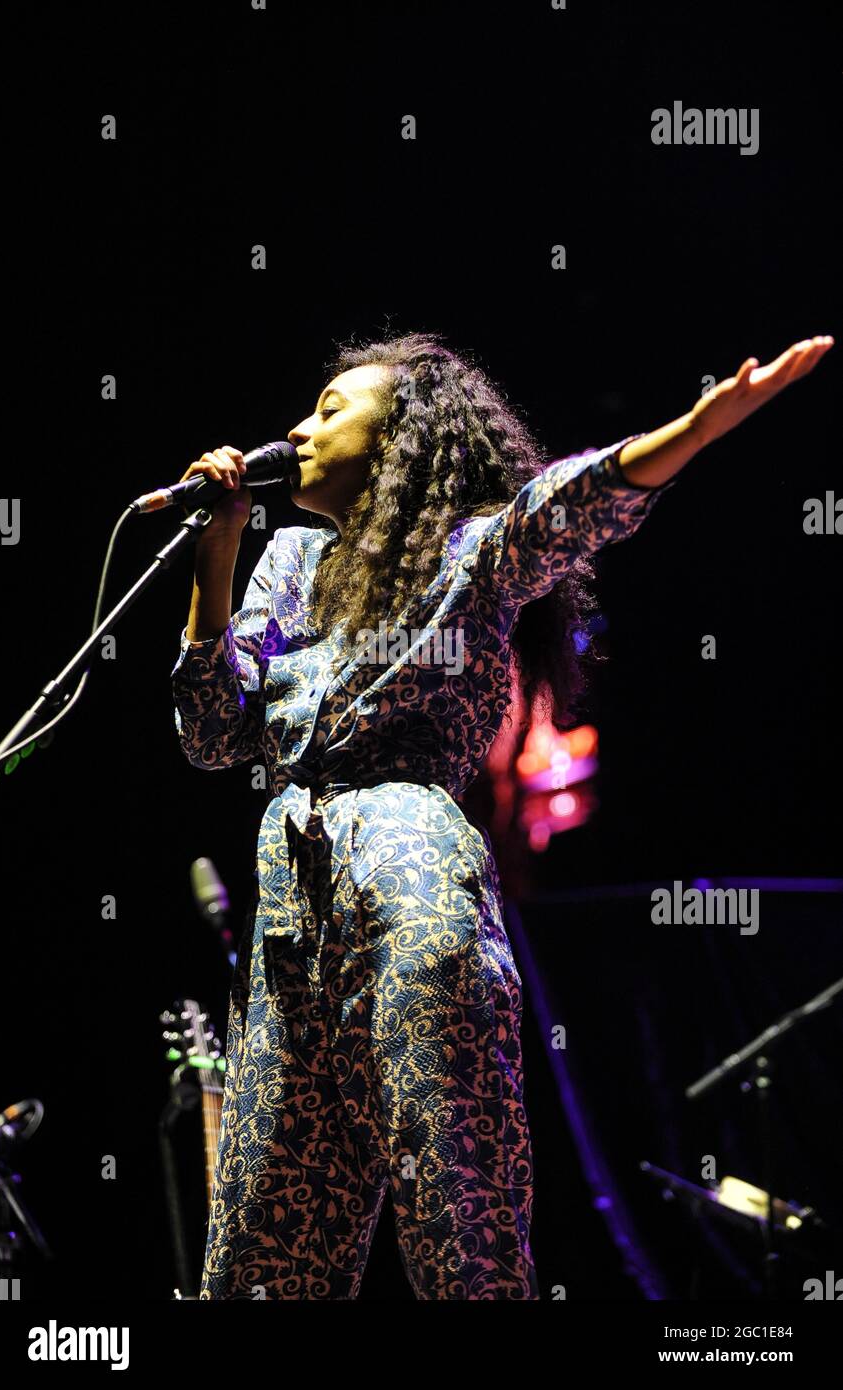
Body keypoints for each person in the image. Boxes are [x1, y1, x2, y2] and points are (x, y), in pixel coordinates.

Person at [170, 330, 831, 1300]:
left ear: (397, 442)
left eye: (328, 412)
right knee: (263, 1260)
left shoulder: (463, 549)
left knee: (457, 1203)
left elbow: (561, 509)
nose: (296, 428)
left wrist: (696, 425)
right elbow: (210, 734)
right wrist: (215, 559)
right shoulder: (287, 562)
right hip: (288, 908)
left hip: (406, 865)